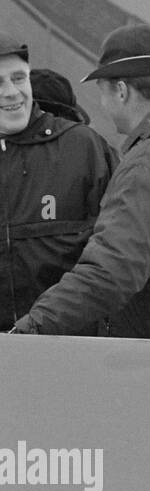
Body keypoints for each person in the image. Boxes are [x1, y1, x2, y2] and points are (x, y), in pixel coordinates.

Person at [11, 27, 150, 338]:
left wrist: (32, 328)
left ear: (121, 90)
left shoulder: (148, 165)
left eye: (102, 90)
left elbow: (111, 273)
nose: (102, 103)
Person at [0, 34, 117, 332]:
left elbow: (120, 255)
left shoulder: (84, 147)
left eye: (18, 78)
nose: (11, 92)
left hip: (71, 347)